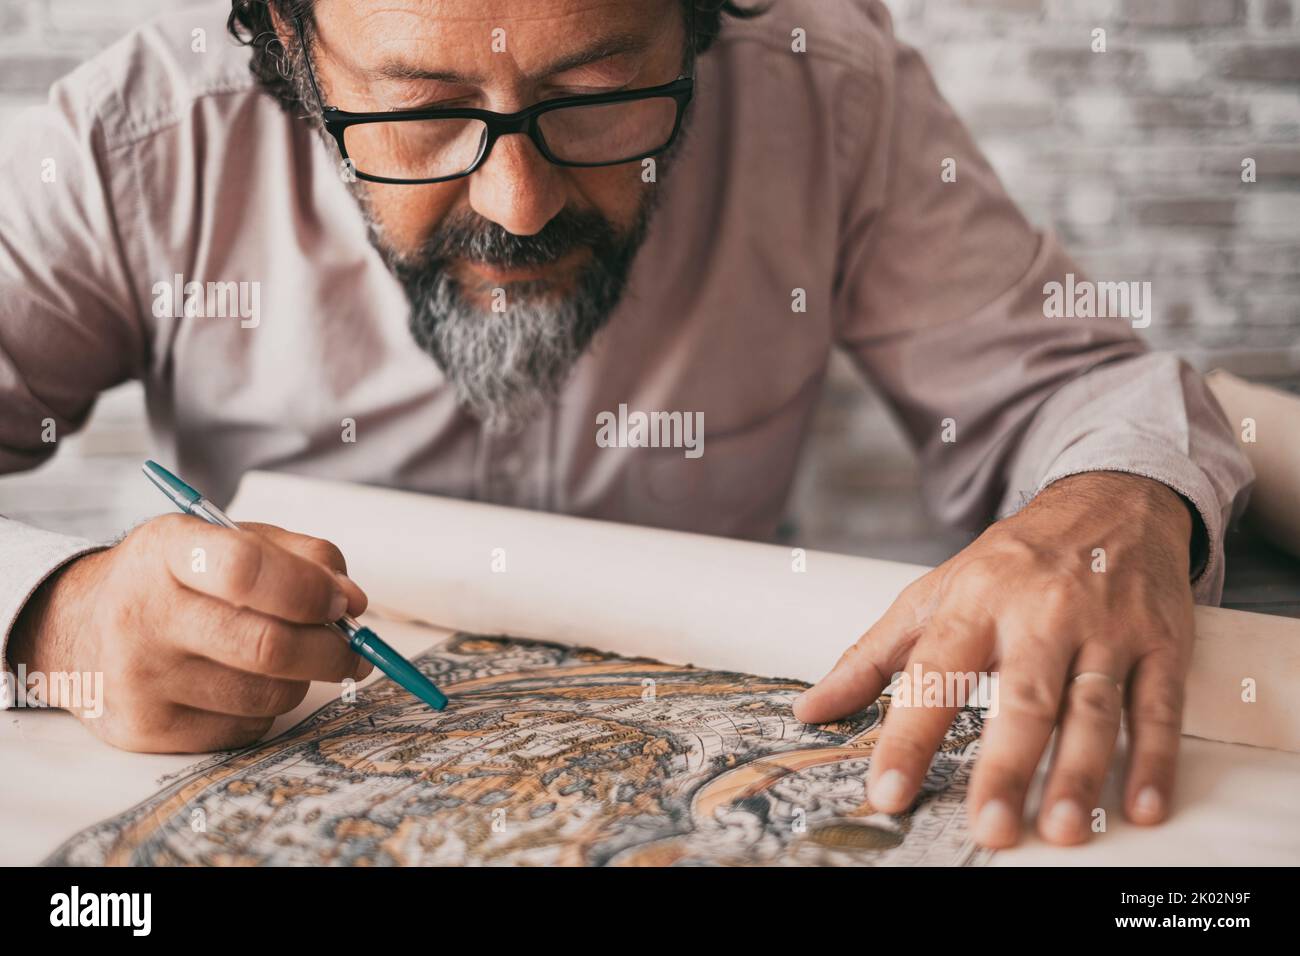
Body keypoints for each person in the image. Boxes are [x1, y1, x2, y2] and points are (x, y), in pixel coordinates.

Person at [0, 0, 1253, 849]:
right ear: (289, 41)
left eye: (599, 94)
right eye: (417, 109)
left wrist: (1114, 503)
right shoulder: (144, 133)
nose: (519, 201)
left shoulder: (826, 88)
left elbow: (1071, 388)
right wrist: (61, 611)